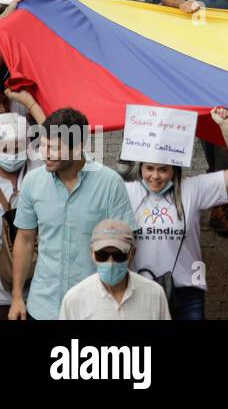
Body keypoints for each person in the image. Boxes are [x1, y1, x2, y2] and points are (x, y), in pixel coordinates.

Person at [121, 105, 228, 320]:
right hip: (139, 291)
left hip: (187, 292)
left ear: (175, 169)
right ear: (140, 167)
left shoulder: (192, 189)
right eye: (149, 168)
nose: (156, 176)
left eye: (163, 169)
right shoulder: (125, 191)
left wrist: (226, 128)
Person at [8, 107, 134, 321]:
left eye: (54, 148)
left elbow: (126, 244)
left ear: (78, 147)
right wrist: (18, 296)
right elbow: (25, 239)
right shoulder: (33, 182)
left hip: (95, 309)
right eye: (43, 145)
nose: (45, 153)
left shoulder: (110, 183)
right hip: (42, 307)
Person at [57, 218, 171, 320]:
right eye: (102, 255)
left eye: (119, 255)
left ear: (132, 254)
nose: (110, 263)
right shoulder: (73, 300)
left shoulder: (155, 294)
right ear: (92, 253)